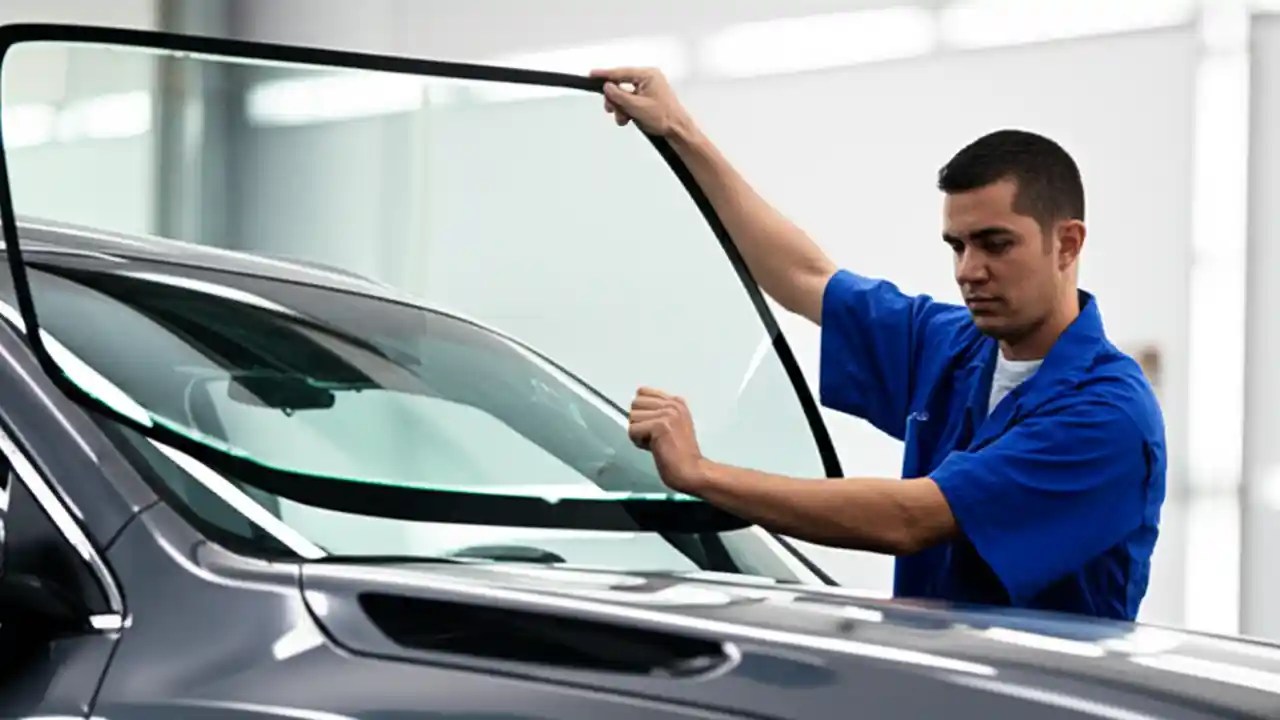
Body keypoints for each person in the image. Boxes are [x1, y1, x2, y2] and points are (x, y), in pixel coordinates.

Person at [591, 66, 1166, 621]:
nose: (969, 270)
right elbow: (804, 277)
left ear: (1067, 244)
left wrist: (702, 474)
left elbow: (909, 520)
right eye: (956, 246)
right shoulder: (954, 346)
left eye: (995, 244)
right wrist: (678, 130)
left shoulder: (1108, 416)